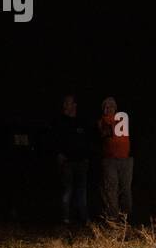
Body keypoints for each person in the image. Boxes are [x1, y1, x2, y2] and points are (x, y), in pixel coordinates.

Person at [53, 94, 90, 226]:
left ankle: (84, 219)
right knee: (67, 190)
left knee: (82, 191)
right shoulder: (60, 121)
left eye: (68, 103)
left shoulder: (81, 122)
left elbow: (86, 141)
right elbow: (56, 140)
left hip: (81, 162)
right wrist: (59, 154)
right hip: (67, 162)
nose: (65, 105)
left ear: (74, 105)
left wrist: (86, 158)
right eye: (65, 103)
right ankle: (65, 218)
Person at [97, 96, 132, 223]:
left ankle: (126, 218)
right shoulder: (101, 121)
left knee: (126, 190)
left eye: (111, 106)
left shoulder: (122, 118)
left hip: (125, 160)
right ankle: (113, 220)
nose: (108, 108)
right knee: (111, 190)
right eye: (105, 107)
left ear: (115, 108)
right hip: (110, 160)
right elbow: (104, 133)